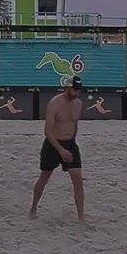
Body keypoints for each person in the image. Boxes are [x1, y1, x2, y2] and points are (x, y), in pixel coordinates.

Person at [29, 76, 85, 223]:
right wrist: (60, 150)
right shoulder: (55, 103)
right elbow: (48, 130)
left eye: (79, 90)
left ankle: (81, 217)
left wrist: (71, 144)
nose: (77, 93)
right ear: (68, 87)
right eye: (75, 90)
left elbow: (74, 125)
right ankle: (33, 207)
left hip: (70, 144)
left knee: (78, 179)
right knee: (44, 176)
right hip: (53, 144)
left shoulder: (78, 104)